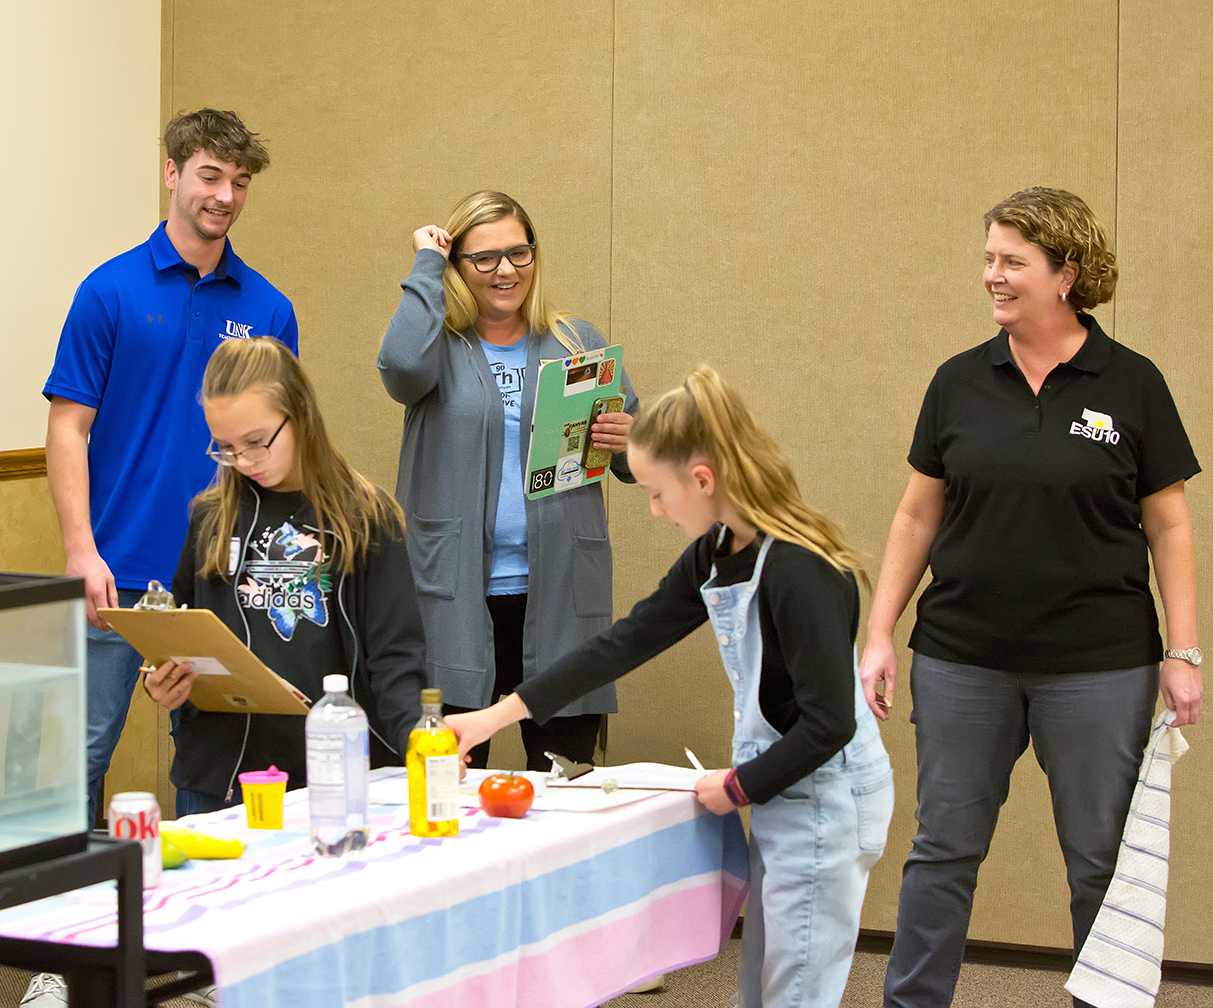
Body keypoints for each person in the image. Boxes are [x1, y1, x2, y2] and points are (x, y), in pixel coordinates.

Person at [448, 367, 893, 1008]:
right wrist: (495, 716)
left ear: (702, 479)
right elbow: (626, 641)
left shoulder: (800, 569)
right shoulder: (717, 550)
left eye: (657, 493)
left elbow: (830, 725)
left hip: (828, 799)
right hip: (785, 790)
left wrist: (737, 786)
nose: (655, 510)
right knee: (768, 988)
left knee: (795, 994)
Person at [861, 187, 1202, 1008]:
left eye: (1012, 261)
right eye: (989, 258)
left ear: (1065, 274)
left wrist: (1182, 650)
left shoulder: (1132, 384)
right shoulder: (958, 381)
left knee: (1099, 863)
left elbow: (1170, 527)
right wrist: (879, 629)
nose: (992, 276)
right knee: (942, 849)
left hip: (1099, 665)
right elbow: (917, 514)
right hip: (961, 659)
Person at [43, 109, 298, 824]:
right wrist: (79, 548)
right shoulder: (109, 291)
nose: (224, 195)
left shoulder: (269, 308)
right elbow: (67, 427)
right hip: (114, 575)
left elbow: (279, 447)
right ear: (172, 174)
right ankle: (71, 923)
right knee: (81, 758)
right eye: (210, 175)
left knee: (212, 765)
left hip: (220, 577)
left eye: (239, 182)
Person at [377, 191, 638, 772]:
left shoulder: (577, 341)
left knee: (566, 786)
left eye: (518, 254)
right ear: (457, 268)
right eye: (485, 259)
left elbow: (637, 458)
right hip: (455, 594)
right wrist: (425, 264)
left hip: (560, 590)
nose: (505, 272)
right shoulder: (435, 346)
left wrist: (631, 439)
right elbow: (397, 367)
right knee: (450, 782)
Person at [143, 336, 426, 815]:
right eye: (226, 448)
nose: (245, 461)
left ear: (301, 414)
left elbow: (397, 659)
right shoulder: (210, 517)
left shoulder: (365, 518)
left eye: (256, 443)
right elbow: (184, 629)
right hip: (219, 781)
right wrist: (162, 680)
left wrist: (419, 741)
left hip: (334, 781)